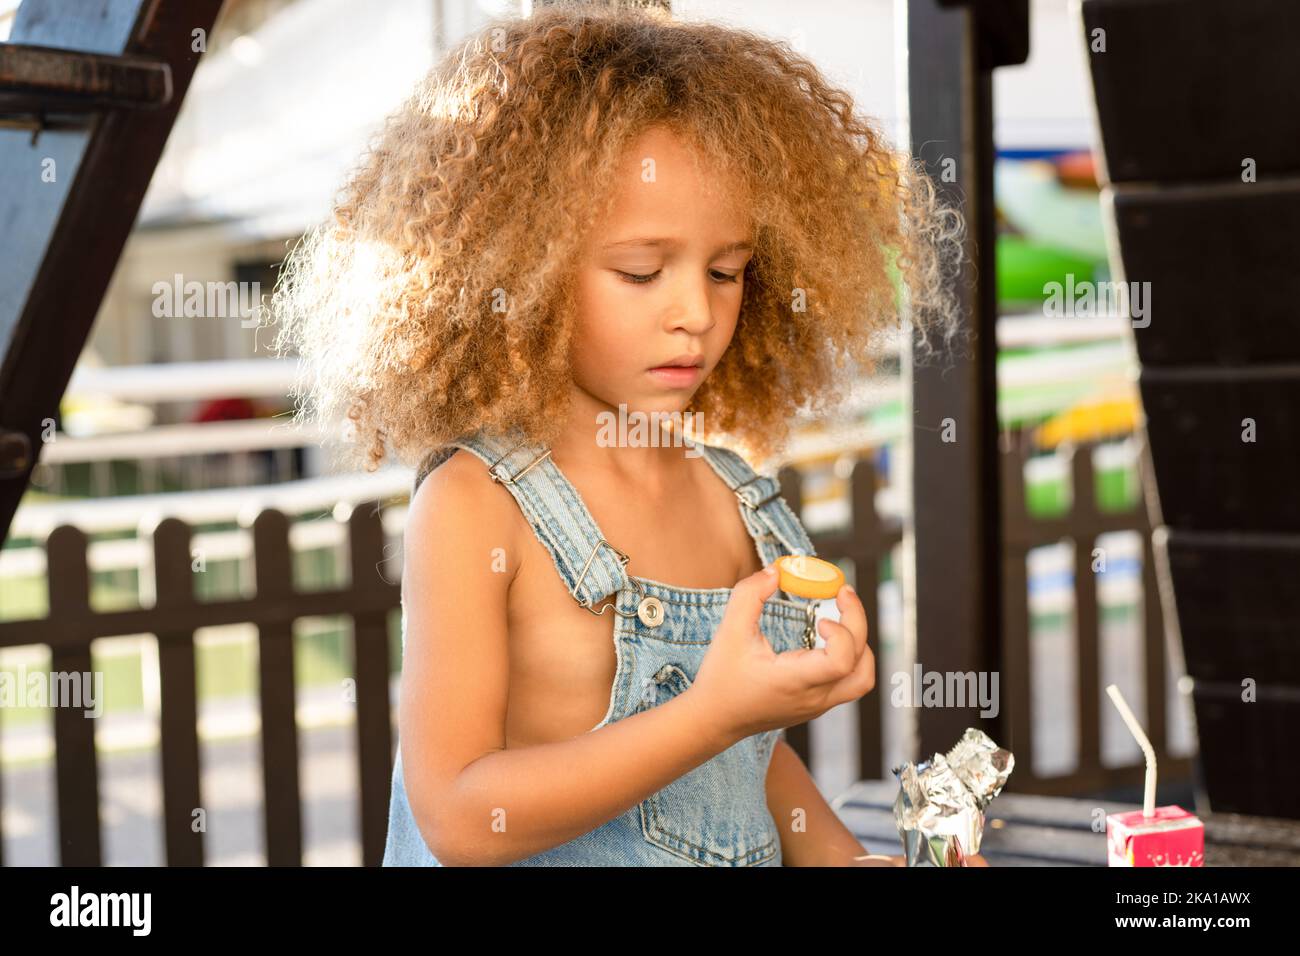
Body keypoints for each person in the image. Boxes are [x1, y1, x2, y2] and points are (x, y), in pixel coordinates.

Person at [274, 2, 974, 866]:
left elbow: (746, 760)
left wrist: (852, 861)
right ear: (515, 271)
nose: (696, 313)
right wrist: (712, 710)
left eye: (727, 271)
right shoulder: (477, 506)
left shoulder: (730, 493)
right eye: (642, 271)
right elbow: (459, 816)